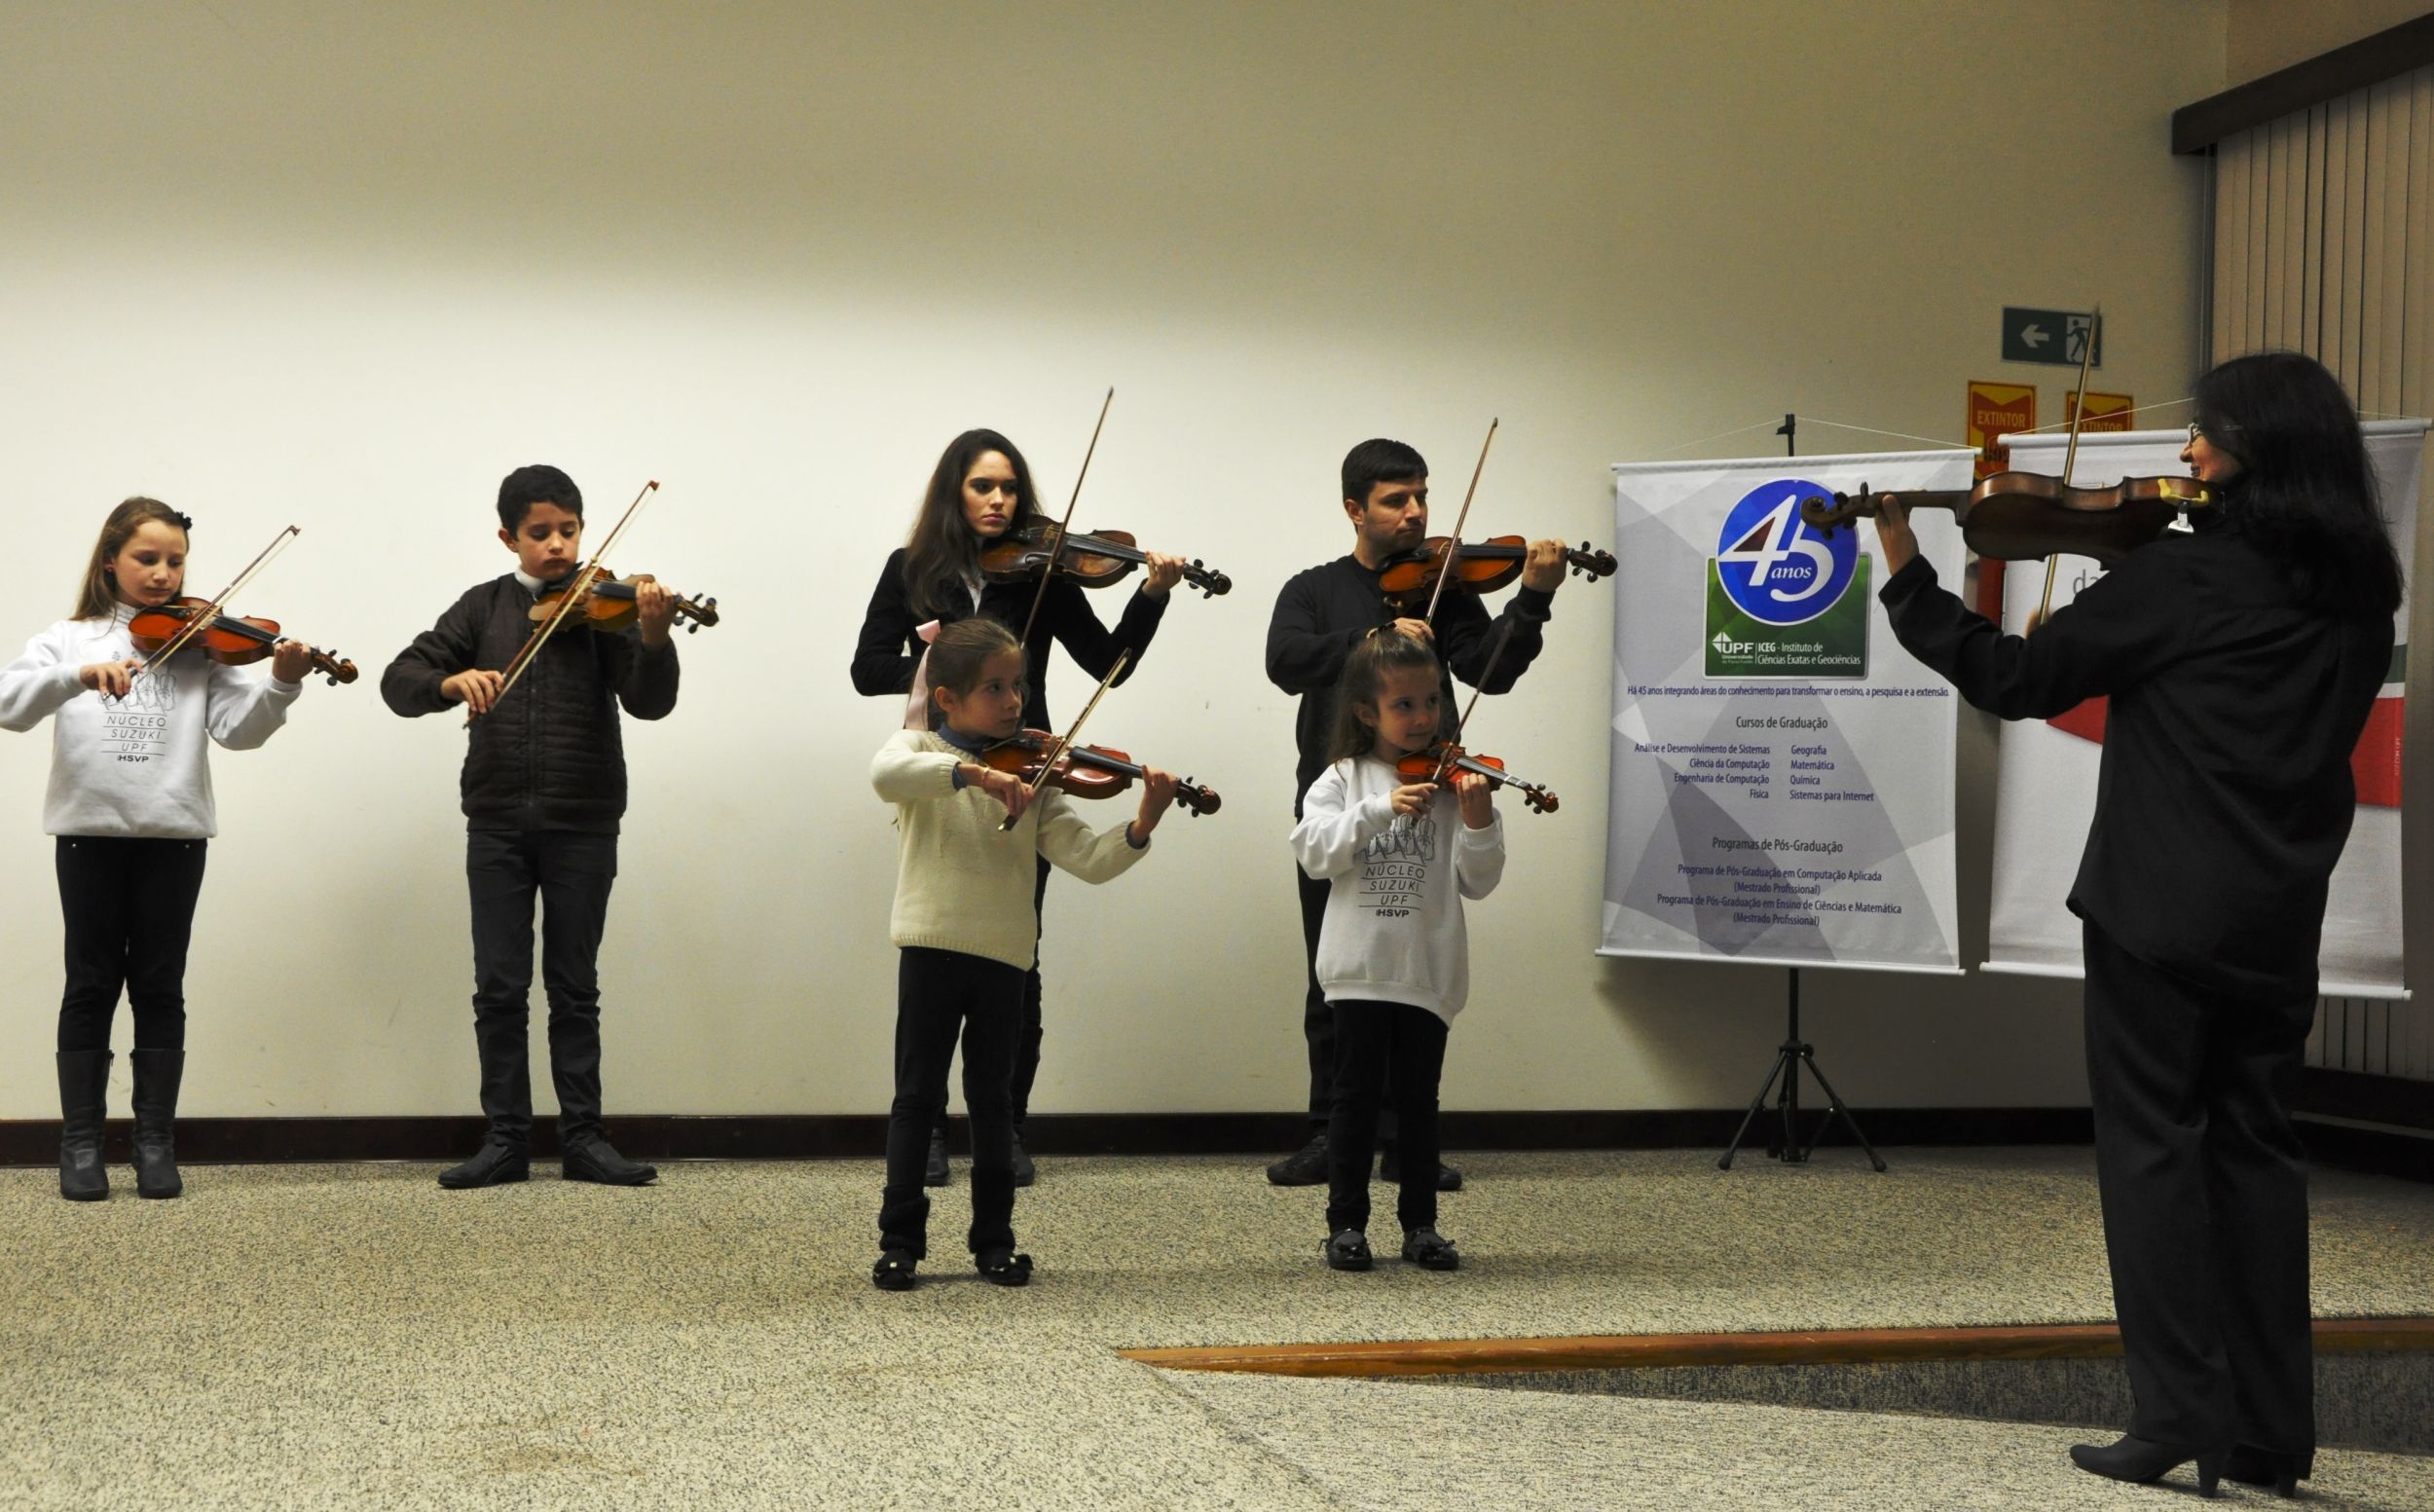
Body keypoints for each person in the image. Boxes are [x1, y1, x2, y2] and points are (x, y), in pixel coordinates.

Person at [1874, 351, 2402, 1497]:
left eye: (2204, 435)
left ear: (2253, 449)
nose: (2185, 452)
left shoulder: (2184, 578)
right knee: (2257, 1156)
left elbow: (2013, 675)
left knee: (2152, 1151)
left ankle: (2173, 1415)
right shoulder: (2365, 583)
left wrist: (1906, 567)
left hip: (2158, 908)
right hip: (2275, 913)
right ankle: (2269, 1432)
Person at [851, 428, 1184, 1188]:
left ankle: (1008, 1126)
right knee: (935, 953)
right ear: (954, 493)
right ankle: (928, 1131)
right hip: (936, 766)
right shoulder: (912, 572)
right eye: (981, 486)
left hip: (1027, 761)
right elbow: (866, 666)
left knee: (1018, 955)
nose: (998, 500)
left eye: (1008, 487)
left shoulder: (1046, 573)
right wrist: (946, 663)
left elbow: (1109, 666)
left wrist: (1153, 594)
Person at [1264, 437, 1566, 1189]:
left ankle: (1407, 1145)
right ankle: (1330, 1135)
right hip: (1341, 801)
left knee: (1413, 969)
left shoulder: (1450, 589)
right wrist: (1373, 637)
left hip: (1429, 795)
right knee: (1334, 977)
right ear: (1354, 509)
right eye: (1397, 500)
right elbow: (1285, 660)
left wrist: (1532, 597)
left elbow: (1490, 672)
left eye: (1421, 497)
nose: (1416, 513)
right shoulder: (1314, 589)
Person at [0, 498, 313, 1200]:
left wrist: (283, 682)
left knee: (160, 986)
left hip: (174, 837)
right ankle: (79, 1142)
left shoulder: (202, 646)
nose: (165, 574)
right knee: (89, 983)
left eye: (175, 560)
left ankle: (153, 1141)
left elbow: (238, 730)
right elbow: (8, 705)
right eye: (148, 558)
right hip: (89, 835)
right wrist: (76, 676)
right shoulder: (71, 638)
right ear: (110, 558)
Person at [381, 464, 680, 1191]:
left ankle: (583, 1137)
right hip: (498, 825)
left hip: (585, 820)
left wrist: (653, 633)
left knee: (575, 986)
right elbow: (398, 679)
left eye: (568, 530)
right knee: (500, 987)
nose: (557, 545)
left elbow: (650, 702)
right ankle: (506, 1139)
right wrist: (450, 681)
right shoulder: (482, 609)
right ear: (508, 536)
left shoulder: (603, 609)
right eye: (539, 533)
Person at [867, 616, 1178, 1290]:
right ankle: (900, 1240)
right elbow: (888, 773)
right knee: (915, 1096)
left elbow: (1089, 859)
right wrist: (974, 774)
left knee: (993, 1103)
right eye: (996, 688)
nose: (1014, 702)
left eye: (1021, 686)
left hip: (1005, 956)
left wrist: (1143, 820)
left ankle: (995, 1240)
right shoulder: (920, 747)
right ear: (946, 697)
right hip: (929, 944)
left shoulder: (1038, 774)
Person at [1290, 629, 1503, 1271]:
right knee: (1352, 1100)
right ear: (1366, 711)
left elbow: (1479, 880)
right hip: (1360, 970)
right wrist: (1380, 807)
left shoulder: (1455, 784)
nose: (1422, 718)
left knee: (1419, 1103)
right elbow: (1315, 850)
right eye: (1404, 705)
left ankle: (1422, 1225)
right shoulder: (1345, 778)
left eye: (1432, 702)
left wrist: (1479, 820)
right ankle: (1345, 1224)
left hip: (1426, 971)